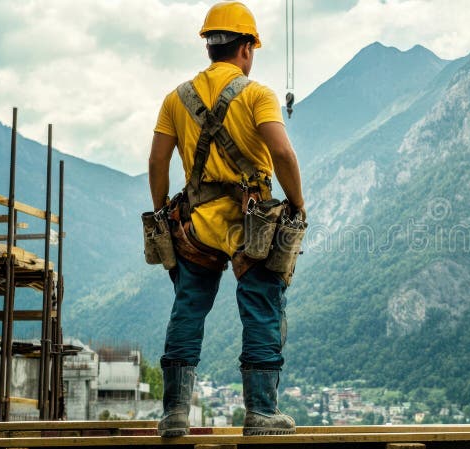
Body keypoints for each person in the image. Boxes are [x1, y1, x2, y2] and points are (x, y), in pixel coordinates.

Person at [147, 1, 304, 437]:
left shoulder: (175, 99)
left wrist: (162, 212)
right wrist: (297, 204)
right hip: (252, 229)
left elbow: (158, 161)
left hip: (196, 226)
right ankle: (261, 412)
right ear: (247, 48)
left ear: (209, 47)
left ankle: (174, 414)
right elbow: (283, 154)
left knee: (188, 310)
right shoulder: (257, 95)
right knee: (260, 310)